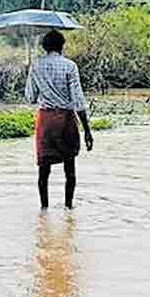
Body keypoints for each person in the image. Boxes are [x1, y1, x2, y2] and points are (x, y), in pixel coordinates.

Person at [25, 30, 95, 210]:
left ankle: (44, 210)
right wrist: (87, 130)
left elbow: (30, 98)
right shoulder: (70, 66)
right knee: (69, 168)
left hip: (46, 121)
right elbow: (78, 101)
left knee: (43, 169)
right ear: (62, 46)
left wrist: (32, 72)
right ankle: (68, 208)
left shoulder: (36, 65)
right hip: (65, 120)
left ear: (44, 47)